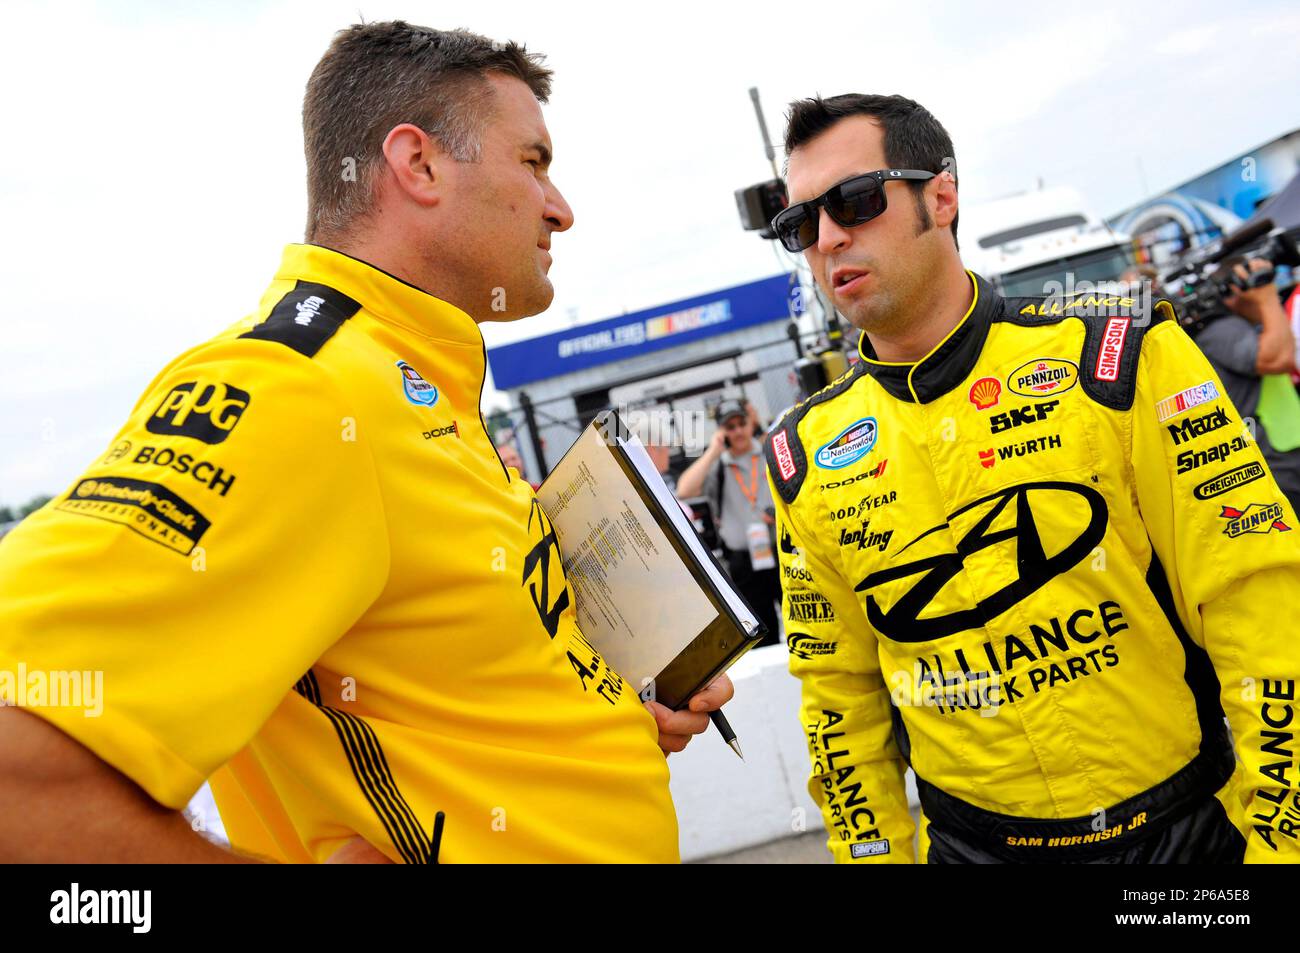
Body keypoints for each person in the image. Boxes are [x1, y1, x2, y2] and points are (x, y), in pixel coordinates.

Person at [0, 21, 732, 864]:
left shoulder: (415, 387)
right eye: (533, 162)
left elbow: (440, 699)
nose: (560, 206)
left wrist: (603, 714)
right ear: (417, 164)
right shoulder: (298, 388)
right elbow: (22, 746)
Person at [762, 93, 1300, 863]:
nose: (828, 237)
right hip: (974, 848)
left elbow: (1260, 604)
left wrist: (1284, 839)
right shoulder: (803, 454)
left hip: (1179, 838)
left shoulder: (1118, 357)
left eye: (855, 199)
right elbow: (837, 701)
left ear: (941, 195)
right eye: (799, 224)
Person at [1179, 260, 1300, 514]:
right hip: (1273, 459)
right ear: (1235, 292)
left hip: (1284, 449)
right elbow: (1278, 358)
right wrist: (1267, 299)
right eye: (1255, 286)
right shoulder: (1219, 329)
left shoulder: (1236, 324)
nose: (1271, 288)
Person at [676, 399, 782, 647]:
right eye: (730, 427)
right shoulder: (717, 467)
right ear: (722, 431)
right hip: (744, 561)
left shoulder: (769, 451)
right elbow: (684, 490)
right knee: (763, 635)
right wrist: (714, 449)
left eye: (741, 423)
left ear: (750, 422)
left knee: (803, 623)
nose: (737, 431)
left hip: (780, 551)